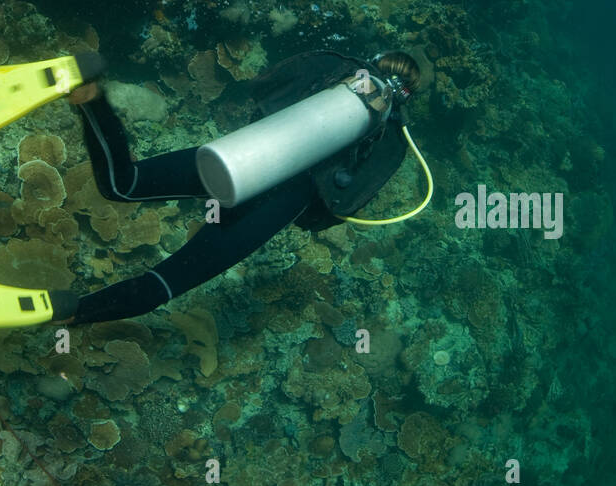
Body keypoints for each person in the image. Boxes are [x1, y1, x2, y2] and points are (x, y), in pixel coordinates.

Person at [48, 49, 427, 325]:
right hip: (281, 204)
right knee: (166, 281)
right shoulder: (393, 140)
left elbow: (263, 88)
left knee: (124, 184)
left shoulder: (338, 67)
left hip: (241, 158)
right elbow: (339, 209)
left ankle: (93, 99)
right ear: (408, 96)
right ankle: (72, 313)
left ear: (377, 59)